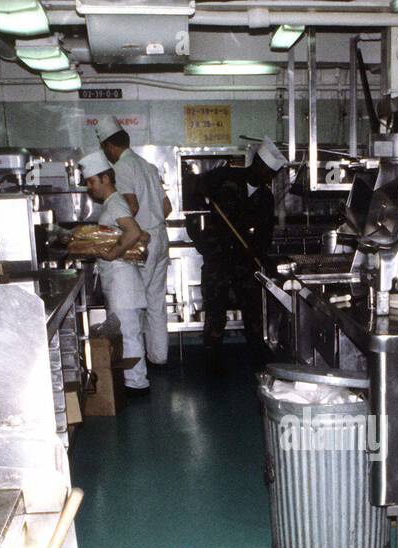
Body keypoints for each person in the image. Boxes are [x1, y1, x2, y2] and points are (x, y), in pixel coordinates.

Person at [185, 138, 285, 376]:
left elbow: (264, 235)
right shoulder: (223, 178)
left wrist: (257, 253)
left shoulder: (265, 199)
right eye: (267, 172)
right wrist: (204, 244)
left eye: (272, 174)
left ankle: (258, 358)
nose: (269, 178)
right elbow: (193, 191)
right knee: (215, 310)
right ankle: (212, 359)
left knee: (252, 309)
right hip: (217, 260)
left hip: (244, 263)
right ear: (258, 164)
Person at [95, 118, 174, 371]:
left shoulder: (122, 168)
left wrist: (125, 231)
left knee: (135, 304)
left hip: (144, 242)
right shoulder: (148, 166)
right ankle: (158, 358)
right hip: (160, 237)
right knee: (155, 302)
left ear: (109, 146)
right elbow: (167, 207)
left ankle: (137, 366)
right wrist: (153, 224)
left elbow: (132, 206)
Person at [79, 150, 152, 397]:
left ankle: (137, 385)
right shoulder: (112, 204)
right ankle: (131, 381)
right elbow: (139, 235)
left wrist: (114, 253)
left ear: (105, 179)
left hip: (123, 281)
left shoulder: (116, 202)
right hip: (118, 282)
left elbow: (132, 231)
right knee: (125, 333)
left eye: (92, 182)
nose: (90, 188)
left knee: (129, 334)